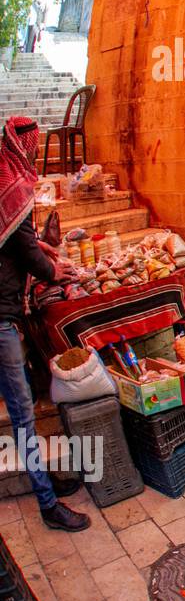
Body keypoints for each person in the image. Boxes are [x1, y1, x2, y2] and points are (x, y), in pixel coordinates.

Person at [0, 118, 88, 532]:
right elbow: (27, 253)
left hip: (6, 314)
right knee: (22, 415)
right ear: (24, 147)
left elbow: (25, 245)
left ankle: (43, 482)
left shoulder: (7, 188)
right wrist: (56, 270)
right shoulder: (13, 191)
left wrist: (48, 255)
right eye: (32, 146)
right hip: (1, 321)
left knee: (24, 413)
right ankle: (48, 503)